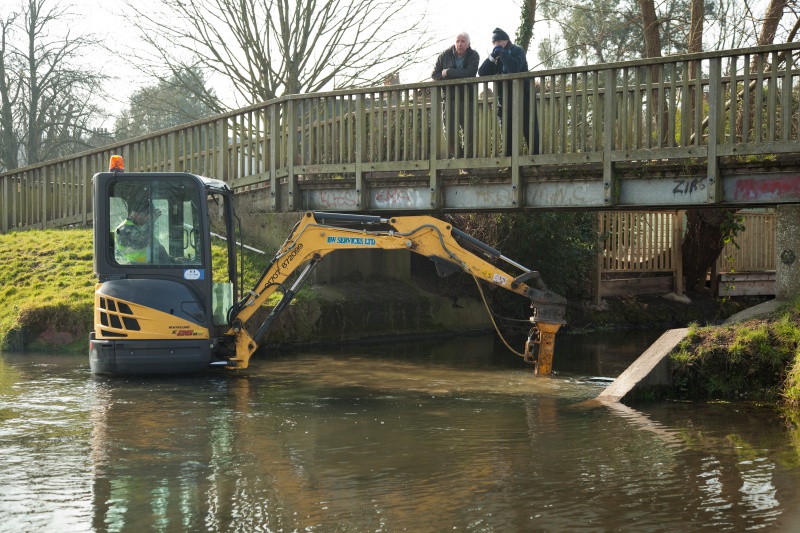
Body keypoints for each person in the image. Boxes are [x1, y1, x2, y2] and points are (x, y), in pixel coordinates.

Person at [477, 28, 539, 156]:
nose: (497, 44)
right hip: (504, 101)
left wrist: (503, 53)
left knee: (530, 130)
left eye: (500, 41)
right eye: (495, 42)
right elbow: (482, 72)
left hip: (523, 98)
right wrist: (491, 57)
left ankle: (535, 162)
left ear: (507, 40)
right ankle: (509, 163)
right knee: (506, 133)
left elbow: (514, 68)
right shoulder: (496, 56)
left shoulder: (517, 50)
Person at [432, 32, 480, 158]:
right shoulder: (444, 55)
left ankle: (467, 159)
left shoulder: (474, 55)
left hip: (468, 98)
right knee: (449, 131)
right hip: (449, 98)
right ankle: (458, 156)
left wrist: (449, 72)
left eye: (463, 41)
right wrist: (450, 78)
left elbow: (470, 73)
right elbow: (435, 74)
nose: (460, 44)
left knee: (470, 131)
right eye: (458, 41)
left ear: (468, 44)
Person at [114, 199, 173, 264]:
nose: (146, 219)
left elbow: (157, 248)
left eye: (148, 217)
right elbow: (141, 243)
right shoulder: (124, 229)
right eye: (145, 215)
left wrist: (171, 260)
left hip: (148, 265)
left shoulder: (140, 228)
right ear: (135, 213)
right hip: (135, 266)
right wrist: (150, 222)